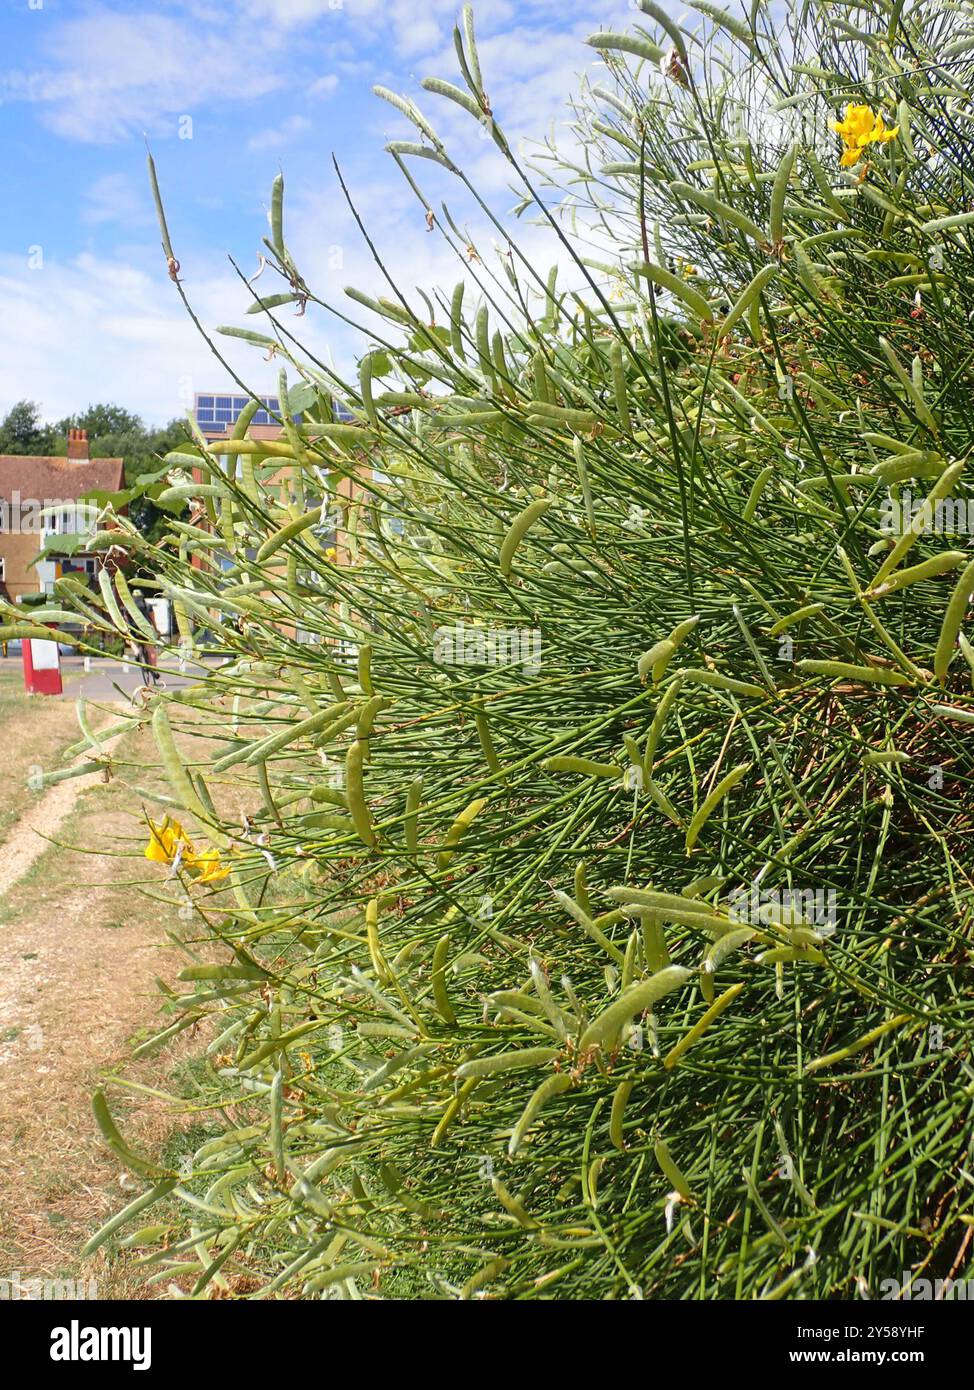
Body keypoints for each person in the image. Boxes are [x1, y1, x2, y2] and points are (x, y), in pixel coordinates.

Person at [132, 589, 161, 685]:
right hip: (145, 630)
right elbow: (152, 618)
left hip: (134, 630)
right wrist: (156, 630)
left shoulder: (129, 606)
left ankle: (136, 651)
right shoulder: (147, 605)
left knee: (130, 640)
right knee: (151, 650)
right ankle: (155, 670)